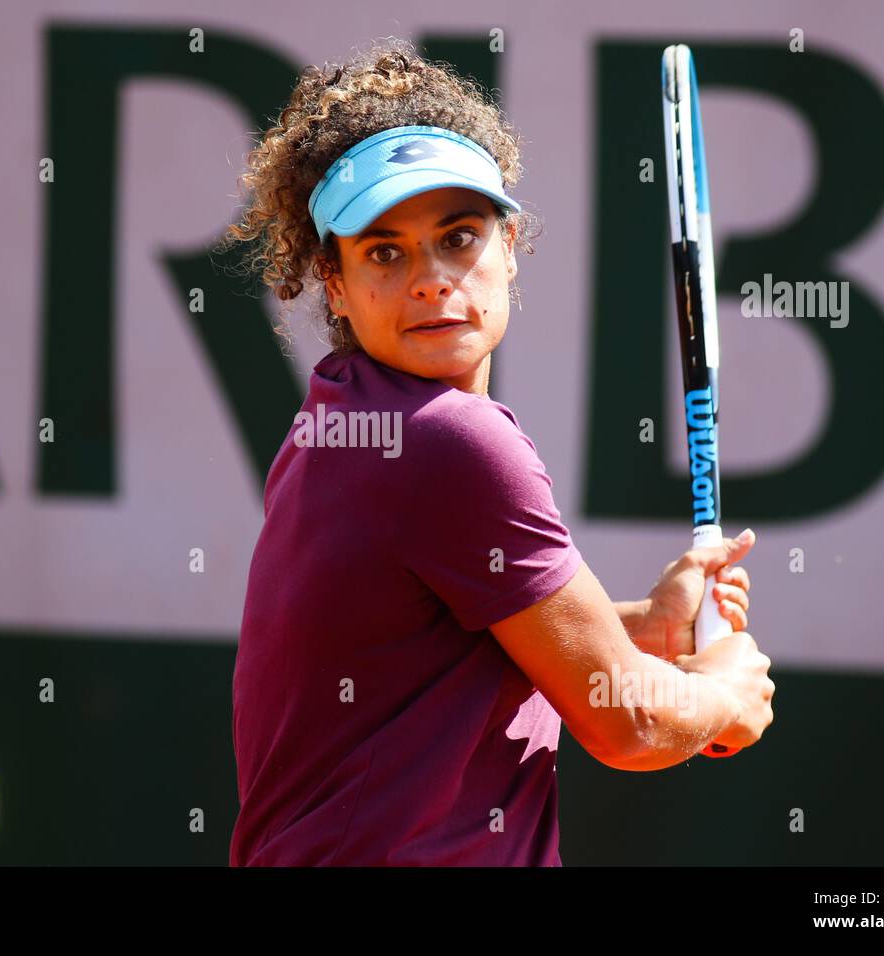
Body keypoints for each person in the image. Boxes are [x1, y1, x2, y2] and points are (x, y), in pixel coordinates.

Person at [219, 41, 774, 867]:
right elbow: (630, 724)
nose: (433, 279)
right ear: (332, 282)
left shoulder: (340, 419)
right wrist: (726, 692)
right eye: (383, 251)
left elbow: (445, 650)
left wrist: (642, 631)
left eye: (460, 236)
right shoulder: (454, 441)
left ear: (509, 246)